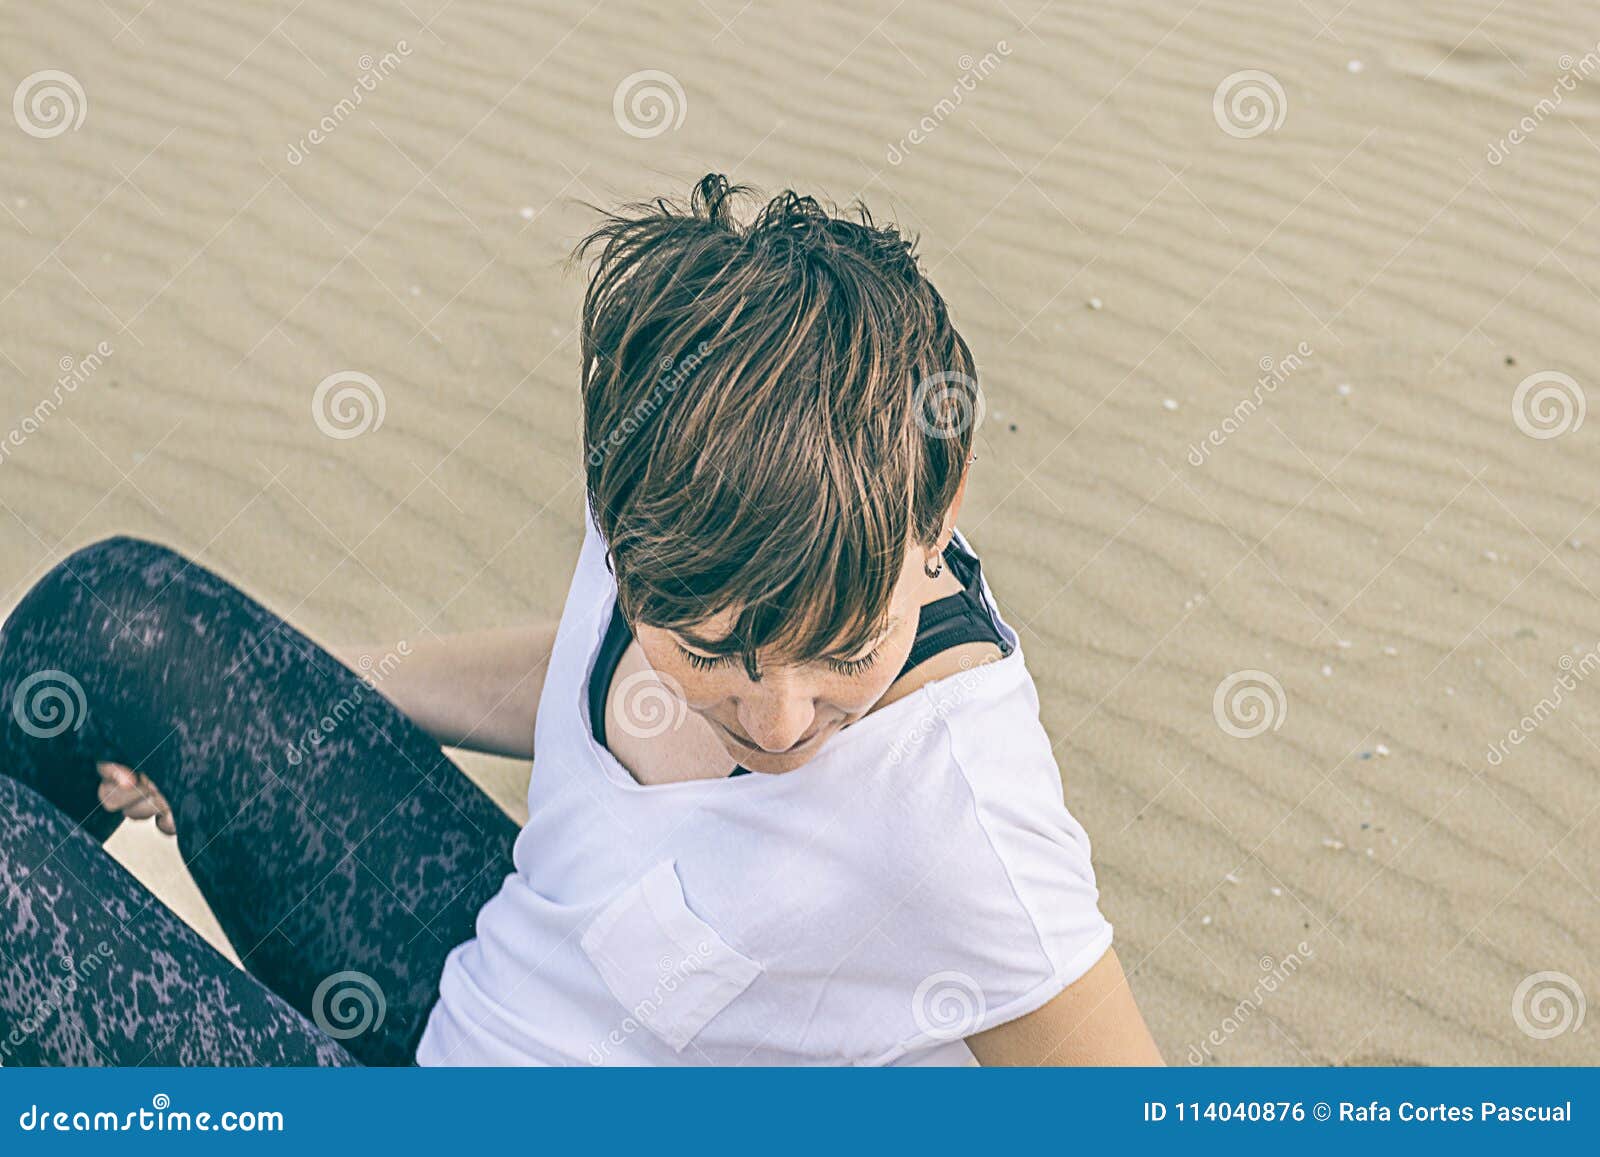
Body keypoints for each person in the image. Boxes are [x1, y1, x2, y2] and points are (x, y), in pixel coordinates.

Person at [0, 175, 1161, 1066]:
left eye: (842, 652)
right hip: (488, 985)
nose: (780, 719)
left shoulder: (960, 813)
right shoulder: (682, 482)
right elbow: (585, 675)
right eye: (706, 652)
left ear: (939, 514)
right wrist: (293, 695)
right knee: (110, 619)